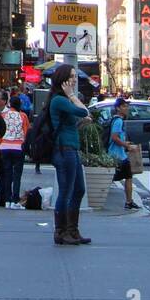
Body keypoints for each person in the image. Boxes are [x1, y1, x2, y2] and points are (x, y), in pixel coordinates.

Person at [49, 63, 91, 247]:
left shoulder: (62, 101)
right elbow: (83, 111)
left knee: (79, 189)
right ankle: (61, 231)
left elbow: (76, 120)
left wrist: (80, 123)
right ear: (63, 79)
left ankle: (72, 230)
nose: (75, 79)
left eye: (75, 76)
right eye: (72, 76)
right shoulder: (60, 100)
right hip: (64, 150)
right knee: (66, 191)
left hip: (70, 148)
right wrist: (72, 96)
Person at [0, 94, 29, 208]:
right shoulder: (23, 116)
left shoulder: (3, 115)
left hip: (5, 146)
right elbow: (26, 132)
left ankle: (7, 199)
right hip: (18, 147)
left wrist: (0, 144)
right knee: (17, 174)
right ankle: (15, 199)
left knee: (7, 174)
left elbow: (0, 132)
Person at [108, 97, 138, 209]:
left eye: (127, 106)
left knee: (127, 177)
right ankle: (128, 202)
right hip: (118, 156)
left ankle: (129, 201)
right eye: (124, 106)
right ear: (118, 108)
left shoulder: (116, 120)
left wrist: (125, 143)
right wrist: (127, 146)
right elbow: (114, 137)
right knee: (127, 177)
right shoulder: (118, 121)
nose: (127, 108)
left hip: (118, 155)